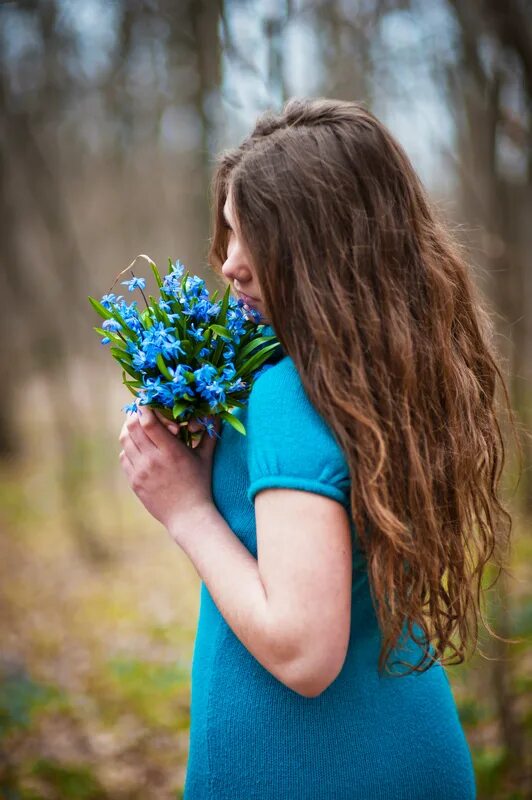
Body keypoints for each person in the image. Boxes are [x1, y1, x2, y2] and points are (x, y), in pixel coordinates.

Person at [119, 97, 518, 799]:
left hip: (312, 770)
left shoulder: (290, 394)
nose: (232, 265)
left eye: (255, 238)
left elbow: (305, 651)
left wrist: (184, 508)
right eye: (231, 233)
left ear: (322, 245)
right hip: (403, 750)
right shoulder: (374, 378)